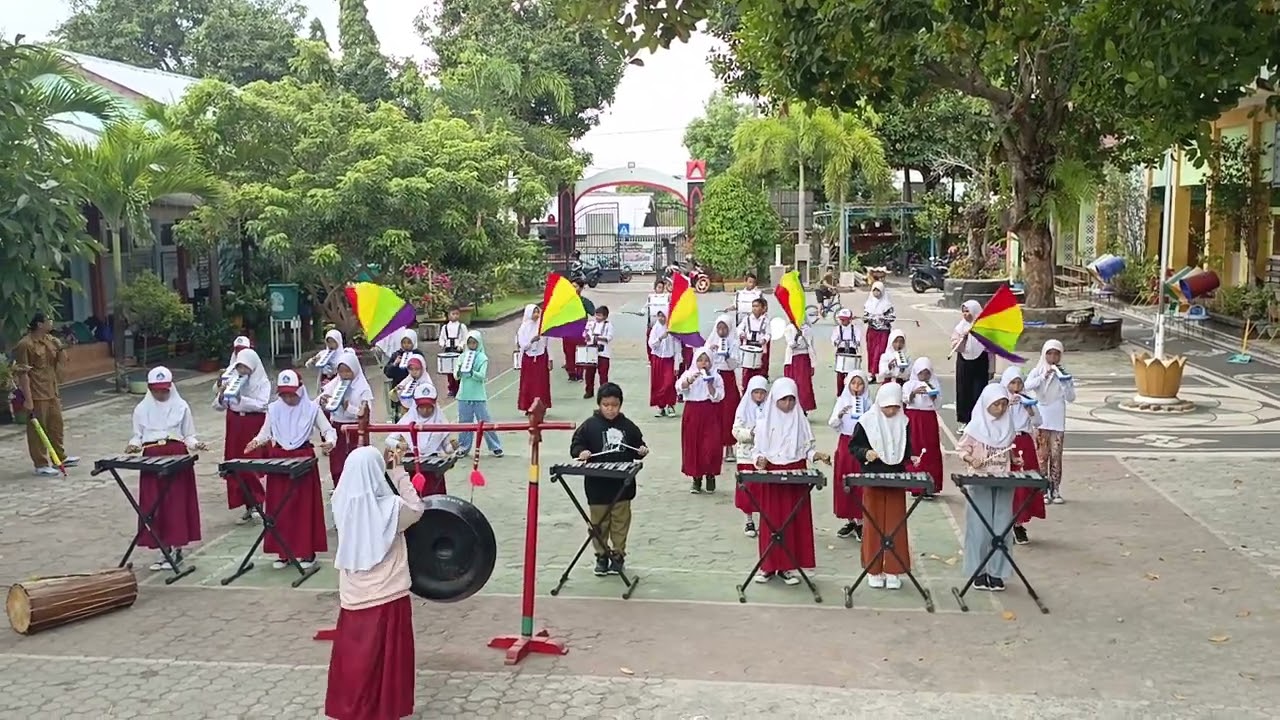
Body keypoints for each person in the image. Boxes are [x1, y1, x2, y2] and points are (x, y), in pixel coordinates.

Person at [326, 446, 424, 720]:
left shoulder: (339, 502)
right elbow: (417, 509)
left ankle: (351, 709)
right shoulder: (391, 509)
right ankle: (384, 711)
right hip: (388, 595)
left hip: (353, 597)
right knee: (386, 663)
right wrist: (399, 472)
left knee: (356, 660)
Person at [246, 369, 335, 569]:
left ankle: (306, 552)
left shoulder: (311, 408)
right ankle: (283, 552)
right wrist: (256, 441)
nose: (288, 398)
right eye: (284, 394)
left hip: (303, 459)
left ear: (300, 390)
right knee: (279, 508)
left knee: (303, 507)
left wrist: (330, 441)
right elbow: (265, 432)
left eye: (291, 394)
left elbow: (328, 429)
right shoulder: (274, 409)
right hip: (280, 460)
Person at [749, 378, 830, 585]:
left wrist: (817, 455)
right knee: (771, 520)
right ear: (775, 399)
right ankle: (768, 565)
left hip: (796, 474)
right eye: (783, 400)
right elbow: (756, 451)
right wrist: (759, 460)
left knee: (792, 522)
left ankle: (787, 567)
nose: (788, 405)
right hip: (773, 474)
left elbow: (805, 449)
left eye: (791, 400)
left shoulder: (800, 420)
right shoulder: (763, 422)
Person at [125, 366, 203, 571]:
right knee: (154, 505)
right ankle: (162, 548)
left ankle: (177, 548)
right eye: (156, 390)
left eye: (164, 390)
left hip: (176, 455)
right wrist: (133, 445)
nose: (160, 394)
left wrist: (196, 444)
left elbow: (188, 435)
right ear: (150, 389)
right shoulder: (141, 409)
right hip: (152, 457)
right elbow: (137, 435)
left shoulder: (181, 406)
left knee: (175, 502)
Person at [569, 382, 650, 576]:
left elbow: (638, 446)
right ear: (599, 404)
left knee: (620, 522)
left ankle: (618, 555)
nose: (610, 409)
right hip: (597, 486)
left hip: (622, 485)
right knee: (598, 523)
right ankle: (601, 556)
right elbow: (576, 445)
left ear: (620, 405)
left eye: (614, 405)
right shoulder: (589, 425)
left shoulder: (627, 426)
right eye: (606, 405)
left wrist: (642, 451)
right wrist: (582, 452)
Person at [847, 383, 921, 590]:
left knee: (895, 523)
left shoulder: (904, 422)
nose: (891, 411)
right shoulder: (866, 422)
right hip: (873, 477)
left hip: (896, 478)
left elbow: (905, 447)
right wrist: (866, 453)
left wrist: (911, 457)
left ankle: (893, 569)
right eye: (887, 407)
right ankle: (874, 568)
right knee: (874, 523)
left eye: (895, 407)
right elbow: (854, 446)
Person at [955, 384, 1018, 592]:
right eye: (996, 404)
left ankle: (997, 572)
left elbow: (1011, 454)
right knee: (979, 528)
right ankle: (979, 571)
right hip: (979, 481)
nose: (1000, 409)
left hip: (1003, 480)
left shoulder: (1009, 426)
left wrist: (1017, 459)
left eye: (1003, 404)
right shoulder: (975, 428)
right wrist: (971, 459)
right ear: (985, 405)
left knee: (1002, 527)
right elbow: (962, 448)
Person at [12, 312, 79, 476]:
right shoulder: (25, 344)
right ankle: (41, 463)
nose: (52, 323)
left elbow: (62, 362)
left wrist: (61, 346)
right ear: (40, 324)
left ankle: (59, 457)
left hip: (51, 390)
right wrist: (27, 399)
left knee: (57, 426)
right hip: (36, 393)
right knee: (37, 430)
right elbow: (22, 373)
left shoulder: (50, 340)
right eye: (49, 320)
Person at [214, 348, 270, 522]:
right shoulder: (233, 380)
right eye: (239, 367)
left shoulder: (262, 382)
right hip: (235, 424)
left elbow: (261, 405)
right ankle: (247, 503)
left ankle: (258, 501)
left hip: (252, 424)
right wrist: (222, 395)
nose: (242, 371)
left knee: (249, 464)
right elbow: (218, 405)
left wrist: (240, 399)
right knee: (235, 465)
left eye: (245, 367)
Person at [1024, 339, 1075, 503]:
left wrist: (1065, 383)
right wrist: (1043, 377)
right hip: (1042, 419)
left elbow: (1071, 397)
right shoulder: (1038, 370)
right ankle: (1042, 489)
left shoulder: (1063, 373)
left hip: (1057, 419)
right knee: (1042, 455)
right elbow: (1027, 385)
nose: (1053, 357)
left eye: (1056, 354)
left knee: (1056, 455)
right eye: (1050, 353)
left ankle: (1056, 489)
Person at [386, 384, 456, 497]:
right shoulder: (408, 419)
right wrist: (399, 444)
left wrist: (452, 447)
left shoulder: (440, 420)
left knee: (434, 499)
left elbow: (446, 448)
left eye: (429, 407)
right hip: (412, 468)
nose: (425, 410)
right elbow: (389, 440)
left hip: (433, 469)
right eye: (421, 407)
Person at [1001, 367, 1044, 544]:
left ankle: (1019, 523)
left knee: (1024, 485)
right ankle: (1005, 524)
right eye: (1013, 382)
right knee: (1008, 485)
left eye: (1019, 382)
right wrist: (1007, 405)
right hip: (1007, 443)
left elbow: (1038, 422)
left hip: (1024, 443)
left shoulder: (1027, 400)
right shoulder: (1002, 400)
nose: (1017, 386)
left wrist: (1030, 410)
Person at [320, 349, 374, 487]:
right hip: (337, 428)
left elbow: (366, 413)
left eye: (347, 371)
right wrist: (325, 402)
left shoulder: (363, 388)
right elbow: (321, 401)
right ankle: (339, 488)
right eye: (341, 371)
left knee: (356, 462)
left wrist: (349, 408)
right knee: (337, 461)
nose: (344, 375)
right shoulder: (334, 385)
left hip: (356, 430)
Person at [828, 370, 871, 541]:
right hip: (845, 444)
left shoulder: (868, 402)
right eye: (853, 383)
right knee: (844, 481)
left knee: (860, 481)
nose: (857, 387)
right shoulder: (842, 401)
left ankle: (861, 520)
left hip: (861, 445)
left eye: (860, 384)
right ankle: (850, 520)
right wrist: (840, 415)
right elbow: (832, 423)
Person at [677, 347, 726, 493]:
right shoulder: (689, 373)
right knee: (694, 445)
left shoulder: (716, 377)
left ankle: (710, 474)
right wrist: (688, 381)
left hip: (710, 413)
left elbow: (719, 396)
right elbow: (679, 388)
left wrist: (710, 385)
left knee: (711, 445)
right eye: (700, 360)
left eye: (706, 360)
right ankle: (696, 479)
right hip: (692, 412)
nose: (703, 363)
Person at [454, 330, 504, 458]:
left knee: (485, 421)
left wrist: (472, 373)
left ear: (479, 343)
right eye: (469, 343)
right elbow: (456, 375)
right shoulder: (462, 357)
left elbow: (482, 376)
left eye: (474, 343)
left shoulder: (483, 358)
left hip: (478, 395)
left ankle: (495, 446)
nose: (472, 345)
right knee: (464, 422)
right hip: (464, 394)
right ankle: (463, 446)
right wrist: (459, 371)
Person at [731, 376, 770, 538]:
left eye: (762, 393)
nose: (759, 396)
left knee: (763, 490)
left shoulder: (770, 408)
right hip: (746, 455)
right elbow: (735, 431)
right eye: (756, 393)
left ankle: (764, 519)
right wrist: (750, 433)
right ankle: (749, 519)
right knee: (748, 490)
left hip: (764, 455)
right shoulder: (743, 408)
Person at [901, 357, 945, 497]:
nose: (924, 376)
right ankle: (914, 485)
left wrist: (933, 396)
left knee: (930, 449)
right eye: (921, 373)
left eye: (927, 373)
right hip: (913, 418)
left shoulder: (934, 384)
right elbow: (905, 400)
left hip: (928, 419)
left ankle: (930, 484)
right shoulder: (909, 384)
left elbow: (938, 405)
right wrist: (913, 393)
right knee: (914, 447)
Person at [704, 314, 742, 462]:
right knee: (713, 413)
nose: (721, 331)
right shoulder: (712, 340)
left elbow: (734, 365)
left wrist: (727, 356)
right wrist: (710, 351)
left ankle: (729, 447)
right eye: (719, 328)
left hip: (727, 377)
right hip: (714, 377)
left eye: (724, 328)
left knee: (728, 411)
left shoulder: (734, 342)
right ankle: (713, 447)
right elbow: (702, 360)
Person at [952, 300, 991, 433]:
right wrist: (962, 339)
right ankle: (964, 420)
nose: (965, 314)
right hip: (964, 361)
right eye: (963, 311)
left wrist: (992, 369)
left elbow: (990, 350)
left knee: (979, 391)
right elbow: (955, 346)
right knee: (963, 390)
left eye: (968, 311)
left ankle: (979, 420)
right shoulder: (960, 328)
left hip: (981, 361)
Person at [515, 304, 552, 414]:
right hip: (529, 358)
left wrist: (550, 359)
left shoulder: (542, 325)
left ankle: (542, 405)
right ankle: (528, 405)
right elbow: (523, 345)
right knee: (529, 383)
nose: (536, 315)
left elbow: (547, 343)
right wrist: (532, 340)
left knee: (541, 382)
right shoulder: (523, 327)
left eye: (537, 312)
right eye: (534, 312)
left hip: (541, 356)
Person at [647, 310, 679, 417]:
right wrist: (660, 338)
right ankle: (661, 406)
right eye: (659, 316)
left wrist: (677, 364)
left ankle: (670, 405)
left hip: (669, 360)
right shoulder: (655, 329)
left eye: (663, 316)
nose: (661, 319)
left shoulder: (673, 329)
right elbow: (651, 345)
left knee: (669, 382)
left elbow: (677, 348)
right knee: (658, 383)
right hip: (657, 359)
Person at [382, 329, 420, 414]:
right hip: (399, 387)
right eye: (404, 343)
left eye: (409, 343)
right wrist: (395, 364)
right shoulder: (397, 354)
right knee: (400, 412)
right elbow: (388, 372)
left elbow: (422, 370)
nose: (406, 345)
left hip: (414, 387)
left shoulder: (418, 354)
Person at [736, 296, 772, 388]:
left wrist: (764, 339)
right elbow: (739, 328)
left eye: (757, 306)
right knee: (747, 368)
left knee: (759, 367)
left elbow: (768, 333)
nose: (755, 308)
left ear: (763, 308)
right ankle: (746, 386)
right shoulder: (747, 319)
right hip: (748, 345)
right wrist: (741, 333)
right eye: (753, 306)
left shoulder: (765, 321)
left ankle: (759, 385)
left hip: (759, 346)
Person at [862, 282, 895, 380]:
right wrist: (869, 318)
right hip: (872, 331)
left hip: (883, 332)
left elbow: (892, 317)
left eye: (878, 291)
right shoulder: (868, 304)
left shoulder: (887, 305)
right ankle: (871, 374)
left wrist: (884, 318)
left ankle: (882, 372)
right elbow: (864, 318)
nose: (876, 293)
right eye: (874, 291)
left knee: (880, 352)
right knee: (871, 352)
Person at [782, 321, 817, 413]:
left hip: (804, 358)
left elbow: (810, 345)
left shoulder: (807, 329)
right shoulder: (789, 328)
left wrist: (813, 363)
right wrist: (797, 336)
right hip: (792, 358)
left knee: (803, 384)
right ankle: (790, 407)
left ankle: (803, 408)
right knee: (790, 384)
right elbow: (791, 344)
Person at [581, 305, 615, 398]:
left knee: (603, 374)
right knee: (589, 373)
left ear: (605, 316)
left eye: (600, 315)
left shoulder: (608, 325)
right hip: (591, 350)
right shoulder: (590, 323)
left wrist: (599, 338)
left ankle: (604, 393)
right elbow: (584, 333)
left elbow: (609, 337)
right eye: (596, 315)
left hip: (603, 352)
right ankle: (589, 391)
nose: (597, 317)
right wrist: (586, 336)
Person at [388, 353, 431, 423]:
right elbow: (393, 396)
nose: (414, 372)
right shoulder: (408, 379)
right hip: (406, 414)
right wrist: (396, 391)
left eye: (417, 369)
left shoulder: (427, 382)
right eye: (411, 369)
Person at [437, 307, 468, 398]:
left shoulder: (461, 326)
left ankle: (459, 388)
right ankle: (451, 388)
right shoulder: (445, 327)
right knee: (449, 370)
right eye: (453, 314)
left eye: (457, 314)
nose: (455, 316)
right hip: (448, 349)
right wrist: (442, 344)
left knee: (458, 369)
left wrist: (461, 345)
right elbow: (441, 338)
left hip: (458, 350)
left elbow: (465, 338)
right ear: (448, 315)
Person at [830, 308, 861, 396]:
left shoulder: (855, 329)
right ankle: (840, 393)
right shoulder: (837, 329)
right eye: (841, 319)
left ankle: (851, 392)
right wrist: (836, 341)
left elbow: (858, 340)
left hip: (851, 351)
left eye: (845, 319)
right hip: (841, 351)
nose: (842, 321)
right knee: (840, 374)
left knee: (851, 373)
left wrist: (856, 342)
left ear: (849, 319)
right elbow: (833, 339)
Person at [306, 329, 344, 393]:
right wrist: (313, 360)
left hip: (337, 383)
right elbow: (308, 366)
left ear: (339, 342)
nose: (330, 345)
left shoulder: (344, 355)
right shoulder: (322, 354)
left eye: (333, 342)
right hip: (324, 382)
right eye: (328, 342)